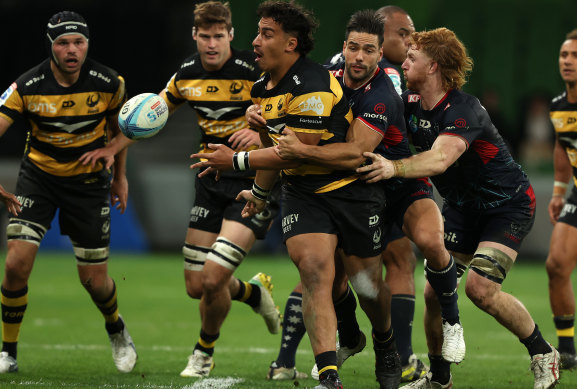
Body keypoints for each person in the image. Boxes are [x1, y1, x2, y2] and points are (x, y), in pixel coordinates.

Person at [192, 5, 402, 389]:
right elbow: (281, 149)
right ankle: (328, 375)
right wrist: (258, 191)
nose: (255, 41)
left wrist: (235, 158)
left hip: (353, 192)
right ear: (343, 46)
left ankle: (385, 343)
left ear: (290, 43)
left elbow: (302, 147)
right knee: (315, 271)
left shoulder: (325, 87)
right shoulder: (262, 88)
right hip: (304, 194)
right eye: (353, 47)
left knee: (368, 288)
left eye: (265, 33)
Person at [79, 1, 282, 378]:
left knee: (214, 275)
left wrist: (257, 132)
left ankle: (203, 352)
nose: (211, 43)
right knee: (195, 285)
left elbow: (285, 112)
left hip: (253, 182)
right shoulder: (185, 75)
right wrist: (111, 149)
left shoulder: (254, 72)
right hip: (209, 181)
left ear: (230, 36)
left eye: (218, 36)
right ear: (194, 36)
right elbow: (148, 119)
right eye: (204, 36)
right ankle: (254, 294)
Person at [356, 27, 560, 389]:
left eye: (412, 58)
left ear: (433, 66)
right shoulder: (412, 106)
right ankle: (440, 379)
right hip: (463, 209)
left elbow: (438, 161)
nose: (404, 64)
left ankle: (544, 353)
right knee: (434, 292)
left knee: (479, 290)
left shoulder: (464, 110)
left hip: (507, 206)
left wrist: (394, 168)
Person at [270, 6, 463, 385]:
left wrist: (278, 153)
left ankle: (420, 337)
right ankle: (323, 361)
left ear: (377, 50)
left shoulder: (387, 88)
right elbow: (297, 124)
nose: (408, 42)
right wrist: (267, 136)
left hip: (392, 180)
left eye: (369, 49)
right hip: (345, 187)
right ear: (346, 47)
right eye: (403, 34)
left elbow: (355, 151)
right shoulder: (324, 76)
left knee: (391, 267)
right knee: (316, 270)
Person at [0, 11, 137, 374]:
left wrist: (119, 174)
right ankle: (8, 353)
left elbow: (126, 129)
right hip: (38, 178)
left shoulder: (109, 82)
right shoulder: (27, 86)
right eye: (63, 43)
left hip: (89, 183)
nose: (72, 49)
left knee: (93, 281)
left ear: (88, 44)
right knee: (15, 264)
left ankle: (116, 328)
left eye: (78, 42)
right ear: (51, 46)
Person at [546, 27, 577, 372]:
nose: (567, 61)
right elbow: (563, 146)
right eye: (564, 55)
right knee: (556, 266)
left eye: (576, 55)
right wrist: (559, 191)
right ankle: (567, 349)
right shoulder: (558, 107)